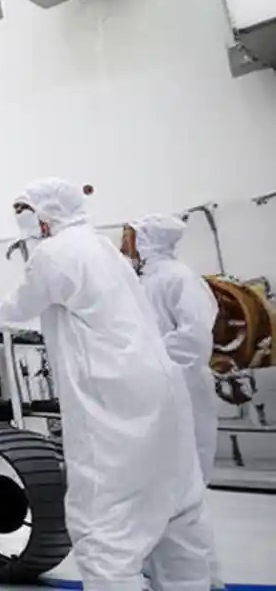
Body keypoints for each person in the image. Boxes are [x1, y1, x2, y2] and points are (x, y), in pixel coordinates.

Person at [0, 179, 210, 591]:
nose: (23, 221)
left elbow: (21, 305)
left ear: (46, 216)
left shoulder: (56, 252)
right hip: (162, 391)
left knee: (104, 528)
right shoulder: (102, 249)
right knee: (177, 519)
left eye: (25, 211)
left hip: (113, 401)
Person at [125, 213, 225, 589]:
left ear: (147, 239)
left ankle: (196, 580)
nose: (124, 245)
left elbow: (194, 341)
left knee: (184, 496)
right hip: (152, 394)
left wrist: (141, 357)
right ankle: (184, 577)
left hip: (182, 393)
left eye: (129, 236)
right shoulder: (144, 281)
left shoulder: (180, 279)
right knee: (155, 493)